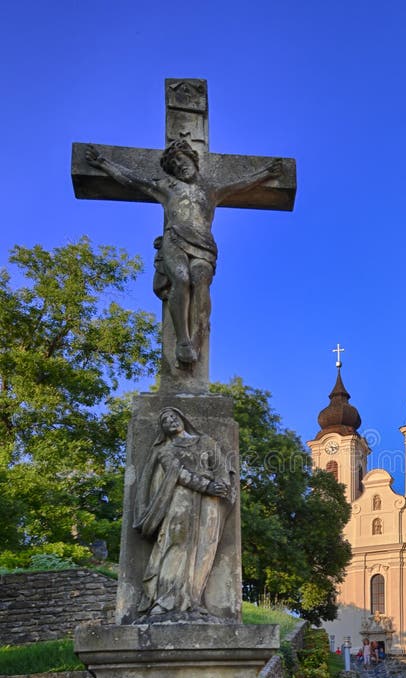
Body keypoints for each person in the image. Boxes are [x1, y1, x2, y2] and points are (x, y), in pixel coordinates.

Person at [86, 140, 282, 368]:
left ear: (193, 159)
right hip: (175, 239)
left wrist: (267, 173)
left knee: (201, 282)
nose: (179, 166)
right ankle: (183, 340)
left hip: (204, 245)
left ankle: (198, 336)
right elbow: (132, 180)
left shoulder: (212, 189)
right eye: (174, 165)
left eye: (182, 160)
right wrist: (102, 162)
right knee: (180, 278)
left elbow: (242, 184)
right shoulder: (167, 188)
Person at [133, 407, 235, 617]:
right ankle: (165, 600)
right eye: (165, 420)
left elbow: (221, 468)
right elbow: (179, 474)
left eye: (173, 417)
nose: (171, 421)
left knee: (205, 548)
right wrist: (207, 486)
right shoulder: (164, 450)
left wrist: (222, 485)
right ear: (163, 429)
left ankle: (193, 600)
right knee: (175, 544)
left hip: (210, 502)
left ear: (182, 419)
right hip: (181, 499)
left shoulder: (205, 441)